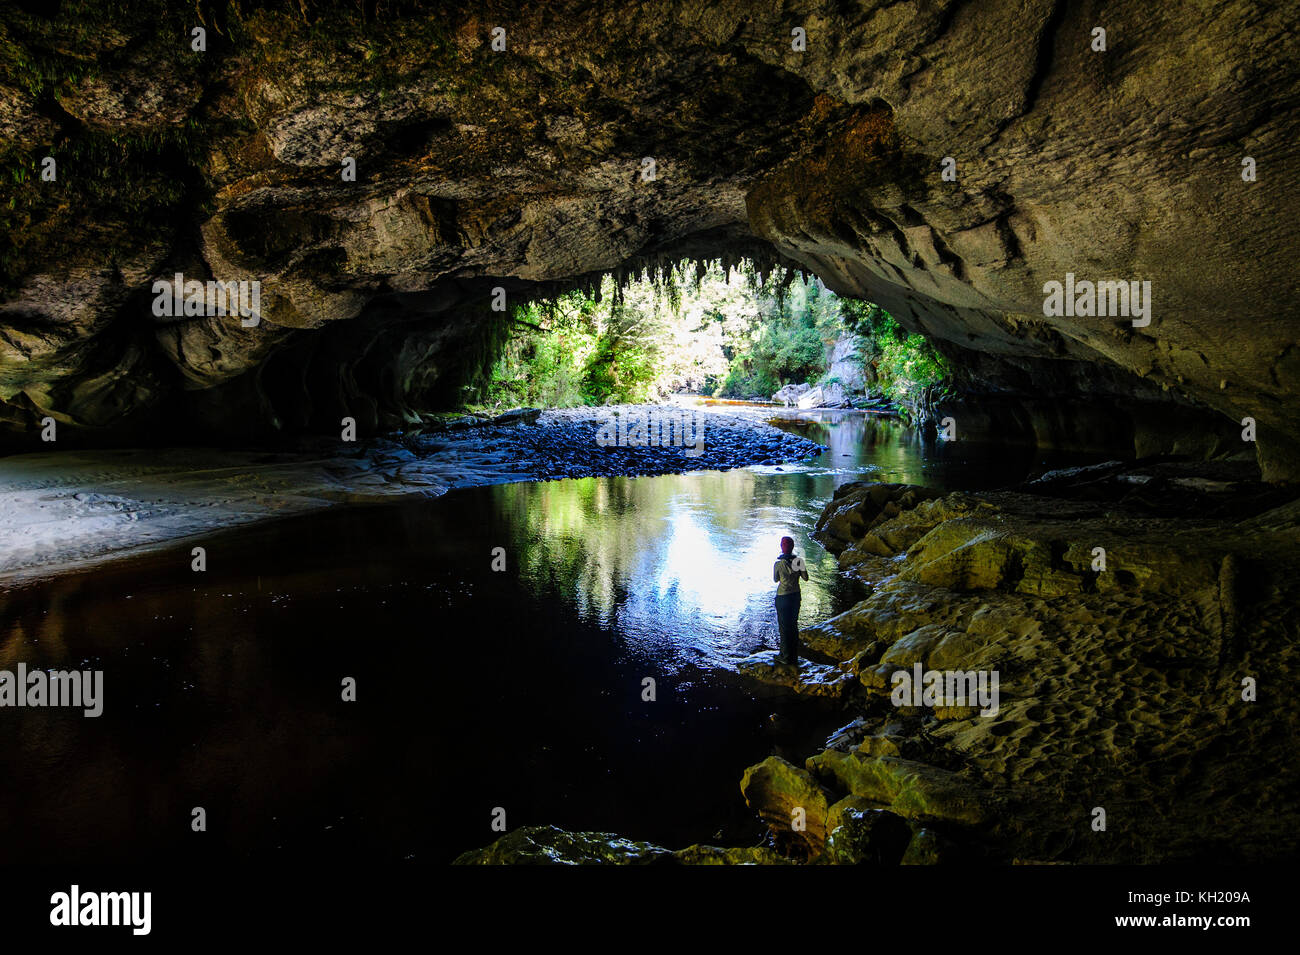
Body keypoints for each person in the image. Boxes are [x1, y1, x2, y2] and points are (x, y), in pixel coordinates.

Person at [773, 536, 809, 666]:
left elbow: (775, 579)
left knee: (784, 628)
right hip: (795, 596)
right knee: (793, 625)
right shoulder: (798, 561)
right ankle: (793, 656)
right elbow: (806, 578)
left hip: (782, 597)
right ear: (792, 547)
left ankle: (785, 656)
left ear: (782, 547)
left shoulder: (778, 564)